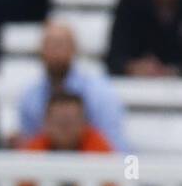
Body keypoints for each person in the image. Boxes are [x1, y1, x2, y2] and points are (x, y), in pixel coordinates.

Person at [18, 21, 126, 149]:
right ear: (40, 50)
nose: (55, 51)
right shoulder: (30, 97)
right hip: (44, 164)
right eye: (50, 45)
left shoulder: (100, 93)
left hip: (94, 161)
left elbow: (114, 143)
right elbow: (29, 145)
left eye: (61, 44)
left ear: (74, 49)